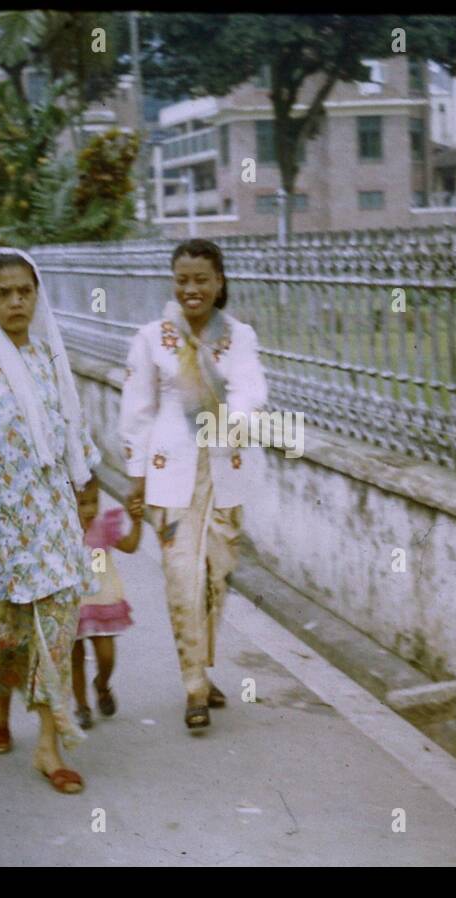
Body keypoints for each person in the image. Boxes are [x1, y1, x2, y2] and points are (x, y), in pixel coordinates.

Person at [0, 249, 101, 794]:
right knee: (9, 629)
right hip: (1, 515)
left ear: (37, 295)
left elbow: (72, 428)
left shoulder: (52, 356)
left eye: (24, 292)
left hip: (51, 513)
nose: (15, 301)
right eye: (3, 293)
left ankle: (50, 743)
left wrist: (86, 487)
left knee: (57, 625)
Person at [120, 239, 268, 731]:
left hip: (226, 469)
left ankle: (201, 667)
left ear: (219, 282)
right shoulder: (152, 338)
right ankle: (193, 687)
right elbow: (136, 412)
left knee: (216, 580)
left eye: (201, 279)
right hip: (171, 475)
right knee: (183, 579)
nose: (191, 289)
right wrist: (136, 477)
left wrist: (228, 419)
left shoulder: (238, 336)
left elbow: (251, 389)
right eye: (182, 279)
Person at [71, 476, 141, 729]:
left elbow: (131, 546)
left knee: (106, 655)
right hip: (72, 603)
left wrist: (137, 522)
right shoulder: (60, 531)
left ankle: (101, 684)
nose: (90, 509)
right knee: (75, 659)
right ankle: (81, 706)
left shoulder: (103, 526)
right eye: (82, 503)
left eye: (94, 502)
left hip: (101, 600)